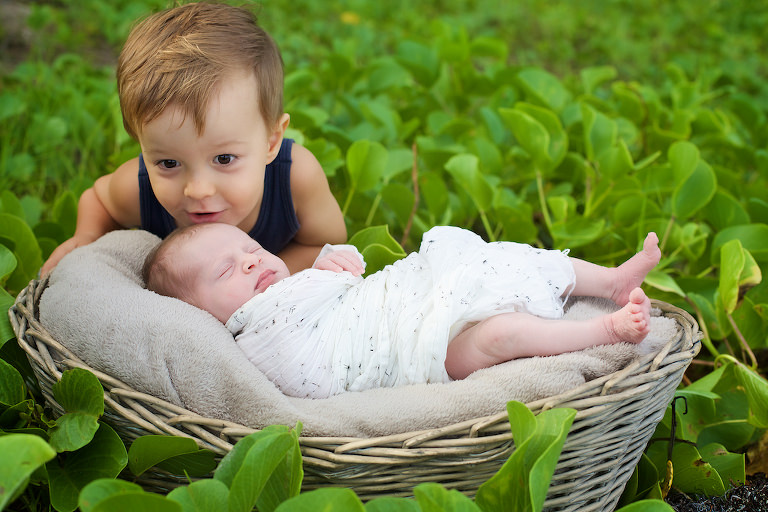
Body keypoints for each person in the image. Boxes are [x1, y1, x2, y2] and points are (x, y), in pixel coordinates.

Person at [143, 222, 662, 399]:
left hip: (410, 297)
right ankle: (604, 329)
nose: (253, 261)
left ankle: (612, 280)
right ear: (202, 313)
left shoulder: (288, 290)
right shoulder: (253, 339)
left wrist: (325, 267)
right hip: (417, 354)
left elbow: (348, 286)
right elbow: (310, 372)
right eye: (227, 271)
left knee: (501, 257)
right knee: (501, 335)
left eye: (251, 248)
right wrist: (326, 272)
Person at [41, 2, 346, 276]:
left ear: (271, 142)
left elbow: (326, 242)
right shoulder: (139, 190)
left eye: (224, 159)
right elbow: (98, 199)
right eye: (169, 162)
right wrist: (87, 237)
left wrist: (271, 281)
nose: (198, 190)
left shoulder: (295, 181)